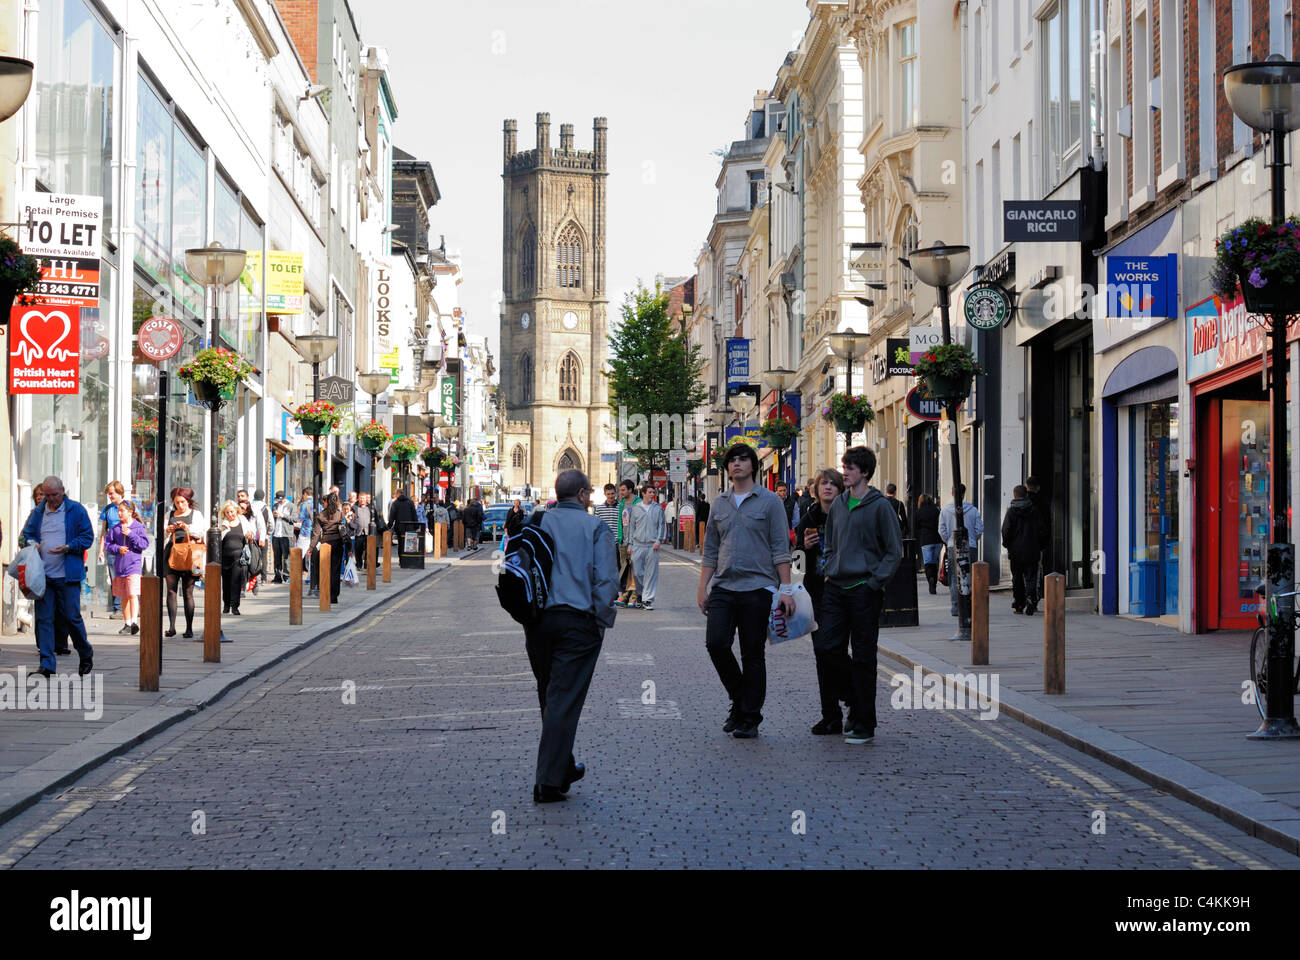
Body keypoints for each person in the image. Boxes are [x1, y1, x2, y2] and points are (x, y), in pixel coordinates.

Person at [523, 469, 618, 802]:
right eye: (589, 492)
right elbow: (606, 580)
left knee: (551, 695)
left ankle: (562, 767)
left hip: (537, 623)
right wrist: (601, 622)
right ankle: (547, 782)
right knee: (563, 700)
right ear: (582, 495)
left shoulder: (537, 522)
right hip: (578, 622)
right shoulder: (595, 527)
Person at [698, 443, 796, 739]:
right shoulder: (720, 503)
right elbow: (710, 549)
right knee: (716, 644)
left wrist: (786, 589)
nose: (737, 464)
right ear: (727, 468)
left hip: (758, 588)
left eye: (743, 459)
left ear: (753, 465)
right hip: (725, 587)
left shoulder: (770, 502)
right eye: (732, 460)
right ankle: (740, 700)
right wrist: (703, 587)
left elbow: (781, 547)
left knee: (752, 654)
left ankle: (749, 717)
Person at [819, 447, 903, 744]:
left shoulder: (881, 507)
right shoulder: (839, 504)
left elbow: (895, 551)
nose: (845, 472)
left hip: (865, 591)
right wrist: (830, 565)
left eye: (851, 468)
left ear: (864, 472)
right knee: (828, 648)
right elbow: (830, 542)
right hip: (836, 588)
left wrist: (875, 582)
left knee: (864, 657)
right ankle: (855, 699)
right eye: (844, 466)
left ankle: (864, 722)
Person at [21, 476, 96, 678]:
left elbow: (87, 537)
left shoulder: (76, 510)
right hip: (43, 575)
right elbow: (25, 535)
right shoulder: (38, 512)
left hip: (67, 575)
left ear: (63, 490)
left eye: (54, 495)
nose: (51, 499)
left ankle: (85, 653)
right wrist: (31, 543)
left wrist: (70, 546)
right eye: (47, 495)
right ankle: (47, 664)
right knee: (44, 620)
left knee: (72, 617)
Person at [794, 468, 848, 734]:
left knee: (834, 651)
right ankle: (831, 714)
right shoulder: (808, 519)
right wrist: (805, 547)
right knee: (822, 653)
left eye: (832, 483)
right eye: (822, 484)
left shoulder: (849, 516)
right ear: (815, 490)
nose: (827, 487)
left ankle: (852, 693)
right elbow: (796, 565)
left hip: (844, 591)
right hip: (817, 595)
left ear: (840, 488)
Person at [163, 487, 207, 638]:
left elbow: (200, 532)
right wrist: (168, 530)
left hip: (190, 554)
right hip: (172, 554)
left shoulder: (196, 514)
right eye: (176, 502)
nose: (179, 505)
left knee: (188, 592)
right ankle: (172, 627)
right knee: (171, 590)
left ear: (188, 501)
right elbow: (160, 534)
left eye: (182, 502)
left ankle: (189, 628)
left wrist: (186, 526)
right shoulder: (169, 514)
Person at [938, 483, 985, 619]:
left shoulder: (945, 511)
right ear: (964, 493)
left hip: (953, 546)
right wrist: (973, 539)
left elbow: (941, 530)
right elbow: (979, 529)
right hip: (970, 546)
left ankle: (955, 606)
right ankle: (969, 605)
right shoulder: (973, 510)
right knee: (970, 577)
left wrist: (949, 541)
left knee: (954, 578)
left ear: (952, 493)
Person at [105, 500, 149, 635]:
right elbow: (108, 545)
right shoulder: (115, 529)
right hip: (120, 566)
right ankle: (127, 622)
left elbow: (143, 544)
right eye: (118, 511)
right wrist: (118, 549)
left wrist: (130, 534)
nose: (119, 513)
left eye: (122, 511)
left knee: (132, 594)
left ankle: (134, 622)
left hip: (133, 566)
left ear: (130, 512)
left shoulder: (138, 527)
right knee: (123, 595)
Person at [1002, 484, 1044, 615]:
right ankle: (1031, 598)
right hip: (1032, 550)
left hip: (1016, 551)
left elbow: (1005, 530)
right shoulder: (1035, 510)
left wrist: (1008, 545)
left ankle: (1019, 604)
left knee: (1017, 577)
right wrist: (1039, 545)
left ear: (1015, 495)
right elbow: (1042, 530)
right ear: (1026, 495)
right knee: (1031, 577)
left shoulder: (1011, 511)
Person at [629, 482, 666, 609]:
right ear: (643, 493)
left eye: (653, 492)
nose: (652, 494)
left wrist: (658, 541)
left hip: (652, 545)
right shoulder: (636, 508)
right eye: (649, 492)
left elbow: (662, 525)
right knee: (638, 573)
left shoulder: (658, 508)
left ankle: (647, 599)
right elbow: (631, 528)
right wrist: (630, 544)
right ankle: (640, 594)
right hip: (637, 545)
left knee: (651, 573)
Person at [96, 481, 128, 619]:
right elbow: (104, 531)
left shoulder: (129, 507)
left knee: (128, 577)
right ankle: (118, 609)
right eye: (108, 493)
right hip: (112, 548)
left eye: (112, 493)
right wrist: (101, 549)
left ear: (120, 492)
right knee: (115, 578)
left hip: (127, 547)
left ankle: (131, 606)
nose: (109, 496)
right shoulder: (108, 509)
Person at [218, 500, 254, 617]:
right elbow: (218, 540)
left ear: (236, 511)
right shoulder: (224, 523)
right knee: (226, 582)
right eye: (228, 512)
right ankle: (226, 605)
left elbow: (250, 534)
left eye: (232, 512)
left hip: (239, 557)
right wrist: (221, 530)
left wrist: (250, 536)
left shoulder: (242, 521)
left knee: (236, 581)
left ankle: (235, 606)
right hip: (225, 557)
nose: (230, 515)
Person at [309, 491, 346, 604]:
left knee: (324, 570)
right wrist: (348, 546)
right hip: (337, 544)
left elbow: (316, 534)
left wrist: (311, 548)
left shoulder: (321, 515)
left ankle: (324, 593)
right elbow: (344, 530)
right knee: (335, 571)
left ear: (326, 502)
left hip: (325, 544)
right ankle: (333, 596)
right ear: (337, 501)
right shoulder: (340, 514)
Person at [613, 479, 639, 607]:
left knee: (634, 569)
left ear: (630, 490)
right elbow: (620, 521)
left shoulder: (638, 503)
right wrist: (620, 537)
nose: (620, 492)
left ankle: (633, 596)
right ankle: (624, 594)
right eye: (620, 490)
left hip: (634, 542)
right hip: (623, 541)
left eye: (623, 490)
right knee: (624, 569)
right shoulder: (622, 502)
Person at [237, 490, 266, 597]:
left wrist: (262, 538)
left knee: (252, 564)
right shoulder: (236, 510)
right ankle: (242, 587)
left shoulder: (254, 509)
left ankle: (254, 583)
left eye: (242, 495)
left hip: (251, 540)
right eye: (239, 496)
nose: (240, 498)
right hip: (239, 540)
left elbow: (261, 524)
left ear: (248, 497)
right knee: (243, 564)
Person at [913, 493, 942, 594]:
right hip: (937, 539)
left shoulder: (919, 512)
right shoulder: (937, 510)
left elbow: (916, 526)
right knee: (935, 562)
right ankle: (934, 581)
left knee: (928, 562)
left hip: (926, 539)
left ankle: (930, 579)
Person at [1025, 475, 1052, 584]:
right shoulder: (1043, 503)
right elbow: (1047, 524)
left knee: (1023, 569)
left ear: (1026, 486)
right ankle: (1034, 592)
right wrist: (1045, 542)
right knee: (1036, 567)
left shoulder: (1021, 502)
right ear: (1038, 488)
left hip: (1021, 543)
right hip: (1037, 542)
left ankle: (1024, 592)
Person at [388, 488, 418, 558]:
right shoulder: (410, 502)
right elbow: (414, 515)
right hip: (410, 526)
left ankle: (401, 560)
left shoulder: (395, 503)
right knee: (410, 543)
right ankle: (409, 559)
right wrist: (416, 526)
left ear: (398, 494)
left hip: (399, 527)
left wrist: (389, 526)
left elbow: (392, 516)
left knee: (401, 544)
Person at [272, 492, 294, 583]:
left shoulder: (291, 506)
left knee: (286, 556)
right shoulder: (275, 506)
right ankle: (277, 576)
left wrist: (283, 516)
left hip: (286, 534)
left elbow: (295, 519)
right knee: (277, 556)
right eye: (278, 500)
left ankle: (287, 576)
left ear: (284, 498)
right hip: (276, 534)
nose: (279, 502)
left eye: (281, 500)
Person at [251, 489, 272, 586]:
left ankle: (252, 577)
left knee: (252, 556)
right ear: (263, 497)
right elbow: (271, 522)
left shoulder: (250, 506)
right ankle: (263, 578)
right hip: (263, 536)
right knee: (263, 557)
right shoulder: (266, 507)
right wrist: (268, 532)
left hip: (252, 535)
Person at [298, 487, 316, 596]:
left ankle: (295, 578)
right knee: (311, 556)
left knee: (298, 555)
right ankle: (310, 578)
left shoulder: (304, 505)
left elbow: (300, 519)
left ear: (305, 494)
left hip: (305, 533)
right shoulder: (318, 504)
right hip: (314, 534)